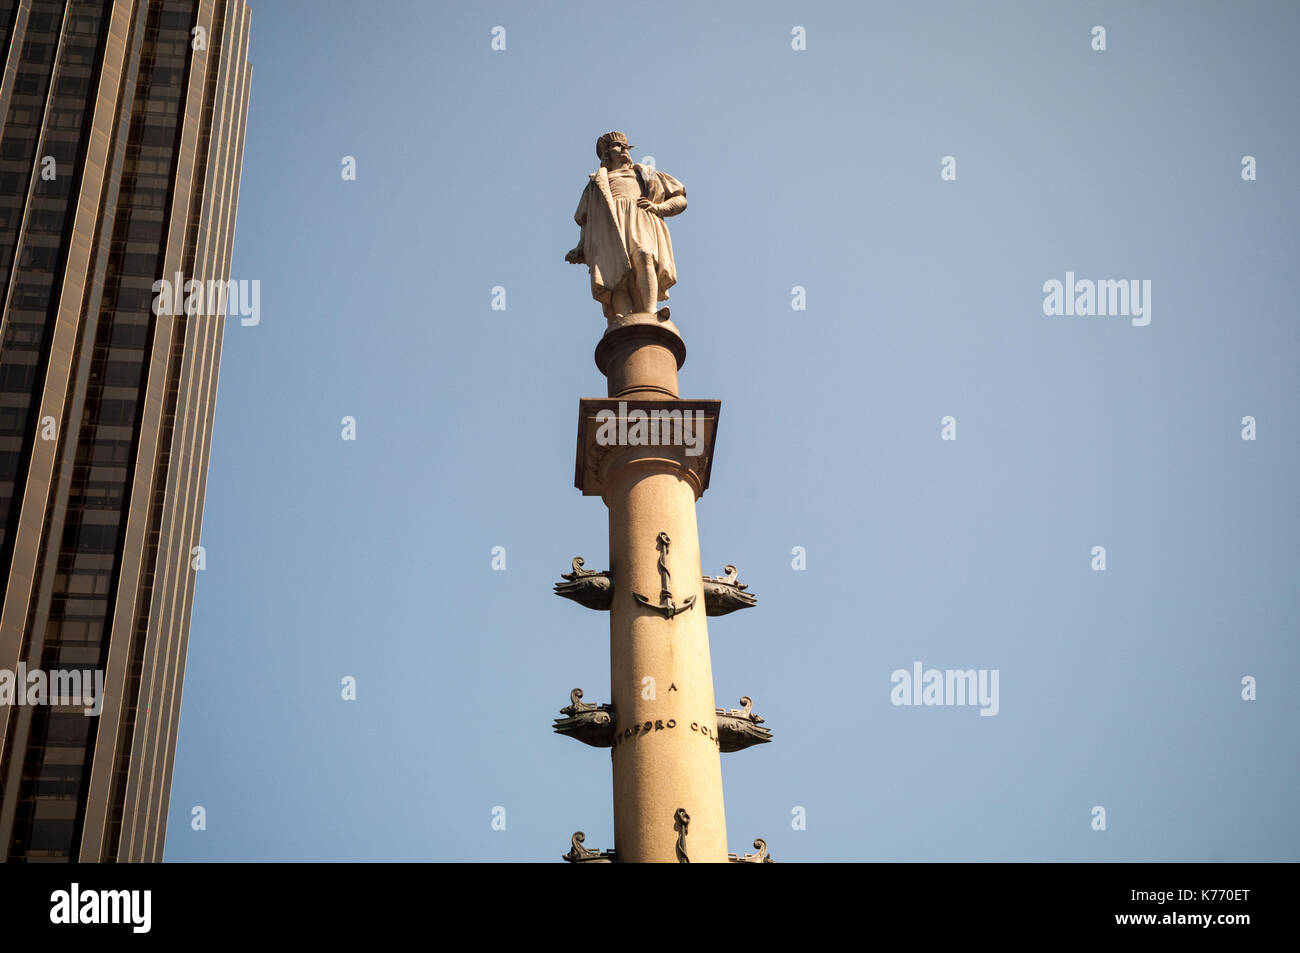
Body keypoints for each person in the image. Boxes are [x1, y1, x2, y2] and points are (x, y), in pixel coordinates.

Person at [565, 132, 687, 320]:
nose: (623, 148)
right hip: (609, 226)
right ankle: (623, 318)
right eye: (617, 145)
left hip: (640, 217)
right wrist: (581, 247)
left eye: (625, 145)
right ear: (606, 152)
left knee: (645, 256)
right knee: (616, 274)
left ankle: (651, 313)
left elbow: (680, 198)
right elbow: (587, 220)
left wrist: (658, 207)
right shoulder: (596, 183)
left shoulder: (646, 172)